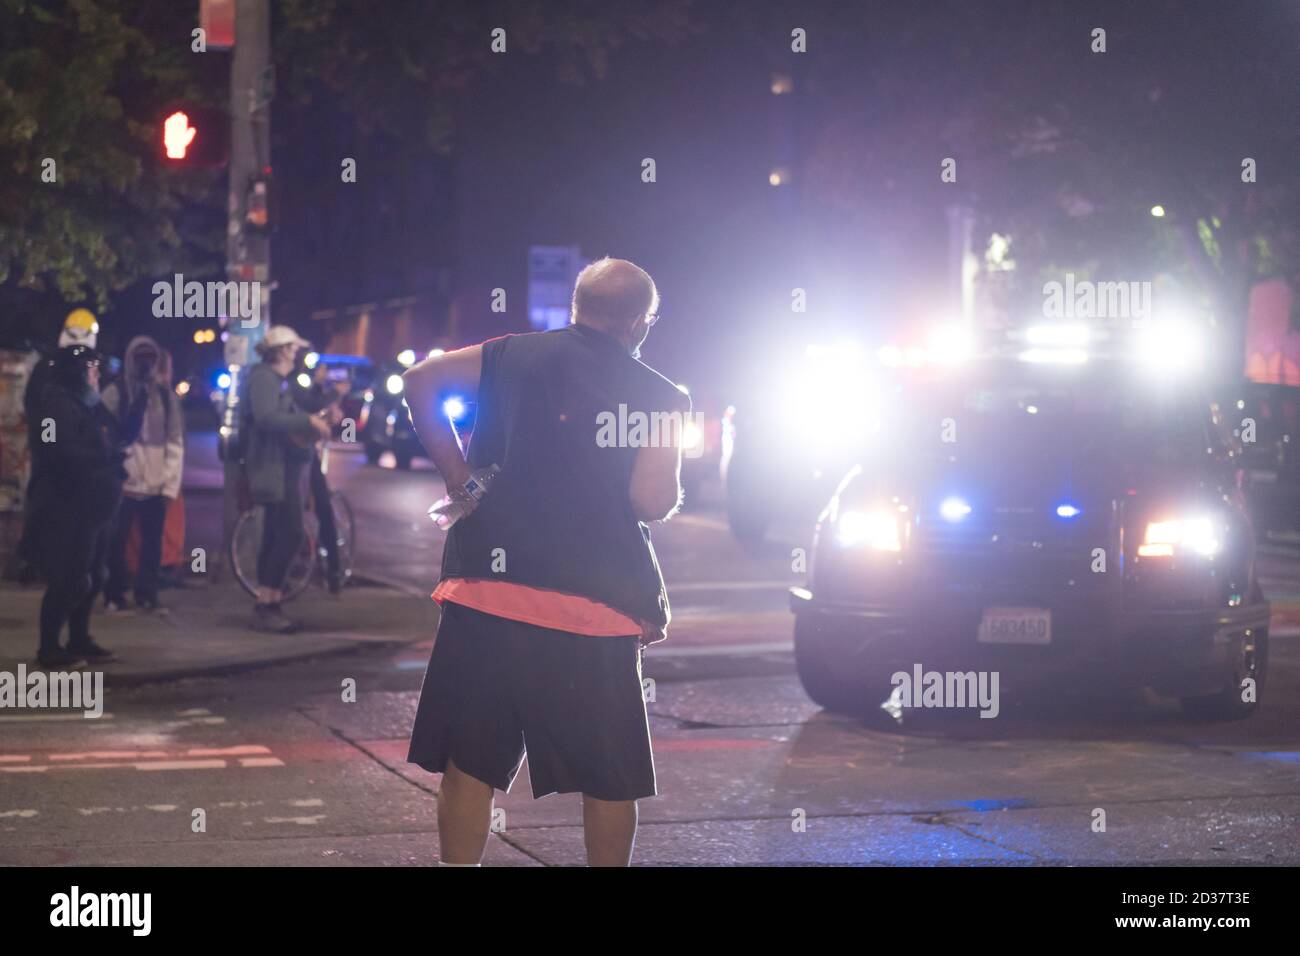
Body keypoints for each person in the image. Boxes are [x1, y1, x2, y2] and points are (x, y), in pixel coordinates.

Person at [404, 257, 690, 866]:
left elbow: (421, 380)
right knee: (611, 776)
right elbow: (650, 501)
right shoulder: (662, 397)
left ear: (575, 307)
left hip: (486, 592)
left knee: (469, 761)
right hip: (595, 605)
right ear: (641, 323)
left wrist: (460, 477)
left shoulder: (511, 354)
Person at [31, 344, 145, 667]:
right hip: (67, 505)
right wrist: (105, 457)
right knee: (70, 576)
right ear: (77, 373)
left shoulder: (89, 404)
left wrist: (139, 403)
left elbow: (121, 436)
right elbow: (54, 450)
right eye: (91, 370)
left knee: (94, 573)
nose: (96, 377)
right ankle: (49, 648)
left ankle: (79, 638)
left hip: (95, 506)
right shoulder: (56, 405)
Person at [241, 325, 331, 633]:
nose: (296, 355)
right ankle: (267, 604)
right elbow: (266, 418)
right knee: (290, 533)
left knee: (277, 535)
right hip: (274, 469)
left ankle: (269, 603)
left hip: (283, 468)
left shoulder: (277, 381)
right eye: (292, 349)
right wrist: (309, 422)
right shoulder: (265, 378)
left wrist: (312, 421)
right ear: (280, 351)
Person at [13, 309, 100, 583]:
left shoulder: (63, 366)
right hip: (57, 449)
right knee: (47, 501)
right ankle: (32, 560)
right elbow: (39, 408)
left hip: (63, 448)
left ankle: (40, 560)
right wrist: (50, 442)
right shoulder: (51, 368)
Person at [102, 336, 184, 613]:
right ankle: (115, 592)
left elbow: (174, 441)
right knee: (117, 541)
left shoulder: (165, 397)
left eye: (151, 358)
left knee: (152, 542)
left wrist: (169, 483)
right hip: (124, 482)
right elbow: (103, 433)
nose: (146, 364)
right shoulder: (116, 393)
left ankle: (147, 593)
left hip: (155, 483)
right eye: (140, 358)